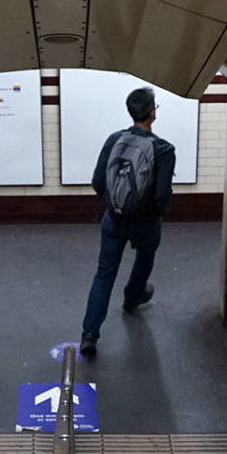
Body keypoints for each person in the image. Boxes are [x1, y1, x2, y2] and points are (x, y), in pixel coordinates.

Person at [79, 86, 175, 357]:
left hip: (113, 218)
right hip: (145, 223)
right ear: (152, 112)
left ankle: (89, 334)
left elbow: (98, 181)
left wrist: (115, 205)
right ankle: (132, 298)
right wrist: (154, 216)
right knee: (146, 256)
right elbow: (161, 196)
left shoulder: (114, 139)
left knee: (104, 273)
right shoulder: (163, 150)